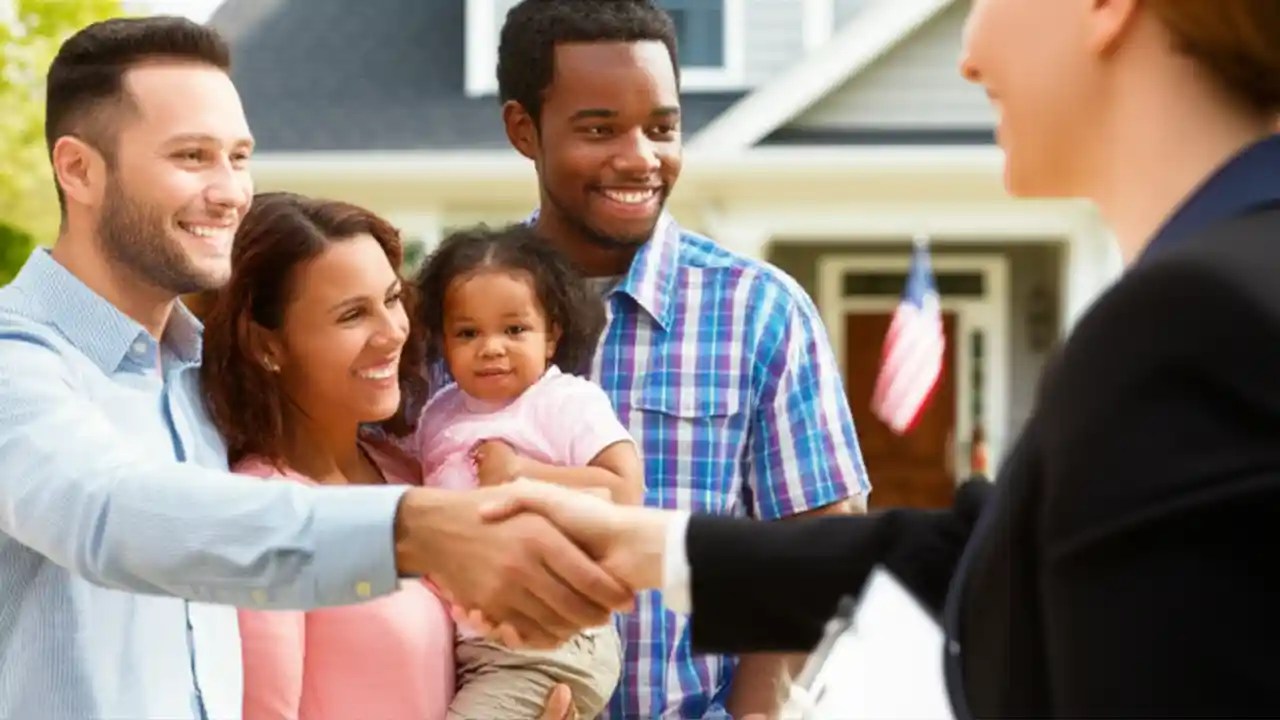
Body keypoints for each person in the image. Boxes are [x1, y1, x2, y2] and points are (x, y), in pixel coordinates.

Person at [479, 0, 1280, 717]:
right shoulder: (1211, 299)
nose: (965, 55)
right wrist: (648, 548)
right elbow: (981, 556)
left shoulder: (1202, 315)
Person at [0, 17, 630, 720]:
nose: (230, 191)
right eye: (191, 157)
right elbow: (107, 511)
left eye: (239, 157)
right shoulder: (18, 365)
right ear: (78, 169)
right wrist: (416, 528)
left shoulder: (199, 386)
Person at [492, 1, 871, 716]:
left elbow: (822, 550)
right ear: (524, 129)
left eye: (661, 128)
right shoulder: (451, 314)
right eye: (599, 128)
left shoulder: (760, 312)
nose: (640, 157)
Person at [198, 192, 452, 720]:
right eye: (353, 314)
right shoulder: (262, 518)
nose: (393, 332)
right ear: (265, 344)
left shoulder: (408, 469)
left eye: (392, 298)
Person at [413, 223, 643, 720]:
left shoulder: (564, 402)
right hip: (472, 645)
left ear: (552, 334)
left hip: (548, 643)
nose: (491, 347)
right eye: (468, 332)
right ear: (443, 341)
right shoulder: (439, 414)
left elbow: (624, 491)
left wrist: (522, 472)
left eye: (515, 330)